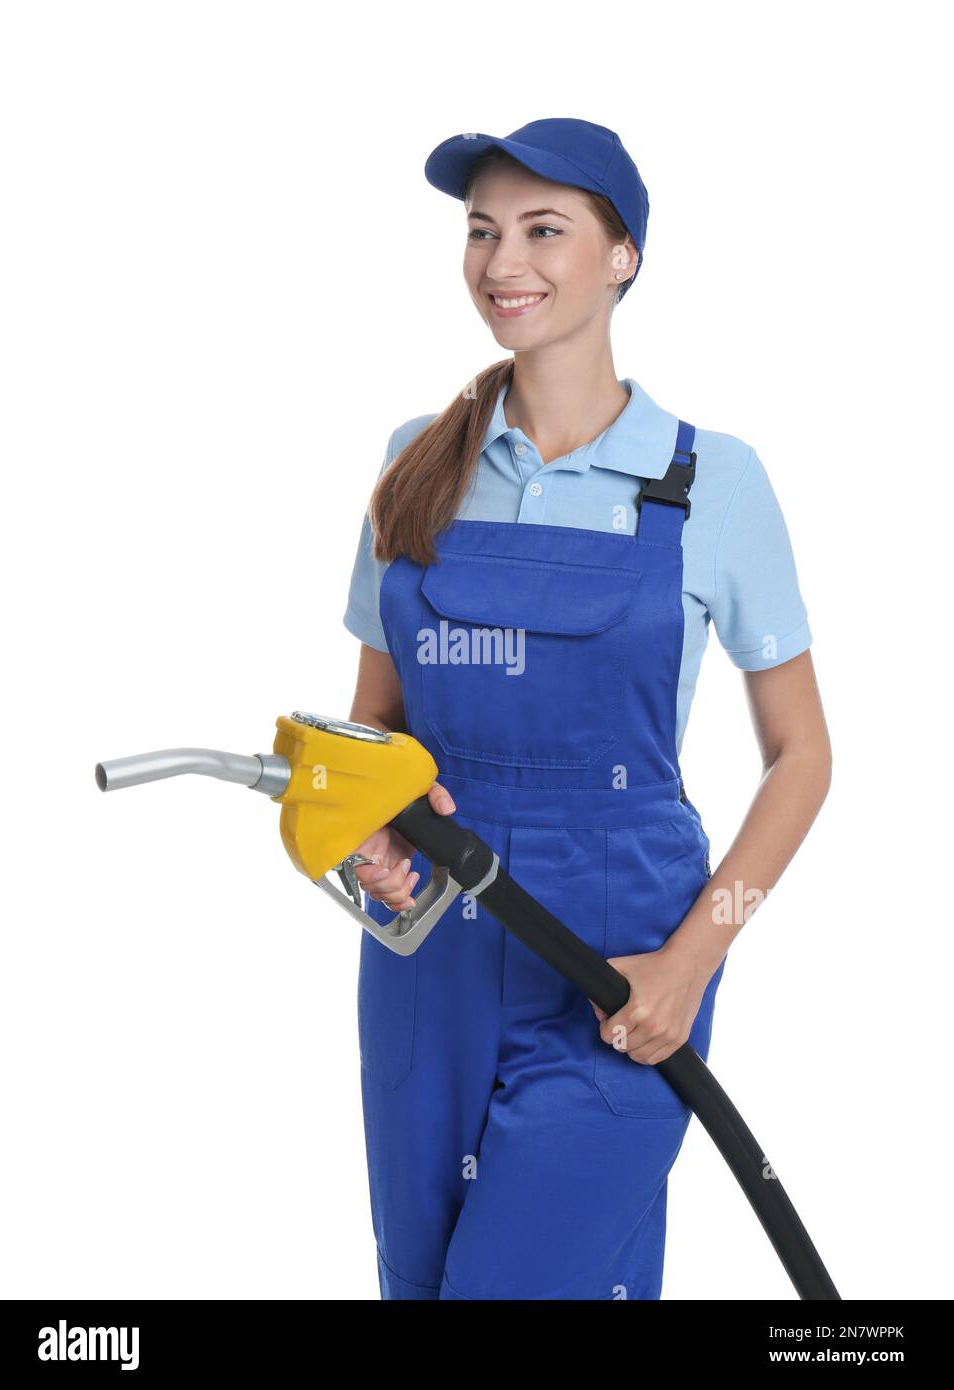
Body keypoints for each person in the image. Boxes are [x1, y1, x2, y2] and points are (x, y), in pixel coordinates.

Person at [341, 118, 832, 1301]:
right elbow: (370, 743)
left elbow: (802, 758)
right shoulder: (418, 462)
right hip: (426, 964)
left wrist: (692, 960)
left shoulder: (713, 485)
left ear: (622, 255)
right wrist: (360, 835)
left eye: (543, 230)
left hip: (619, 966)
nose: (503, 262)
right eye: (482, 232)